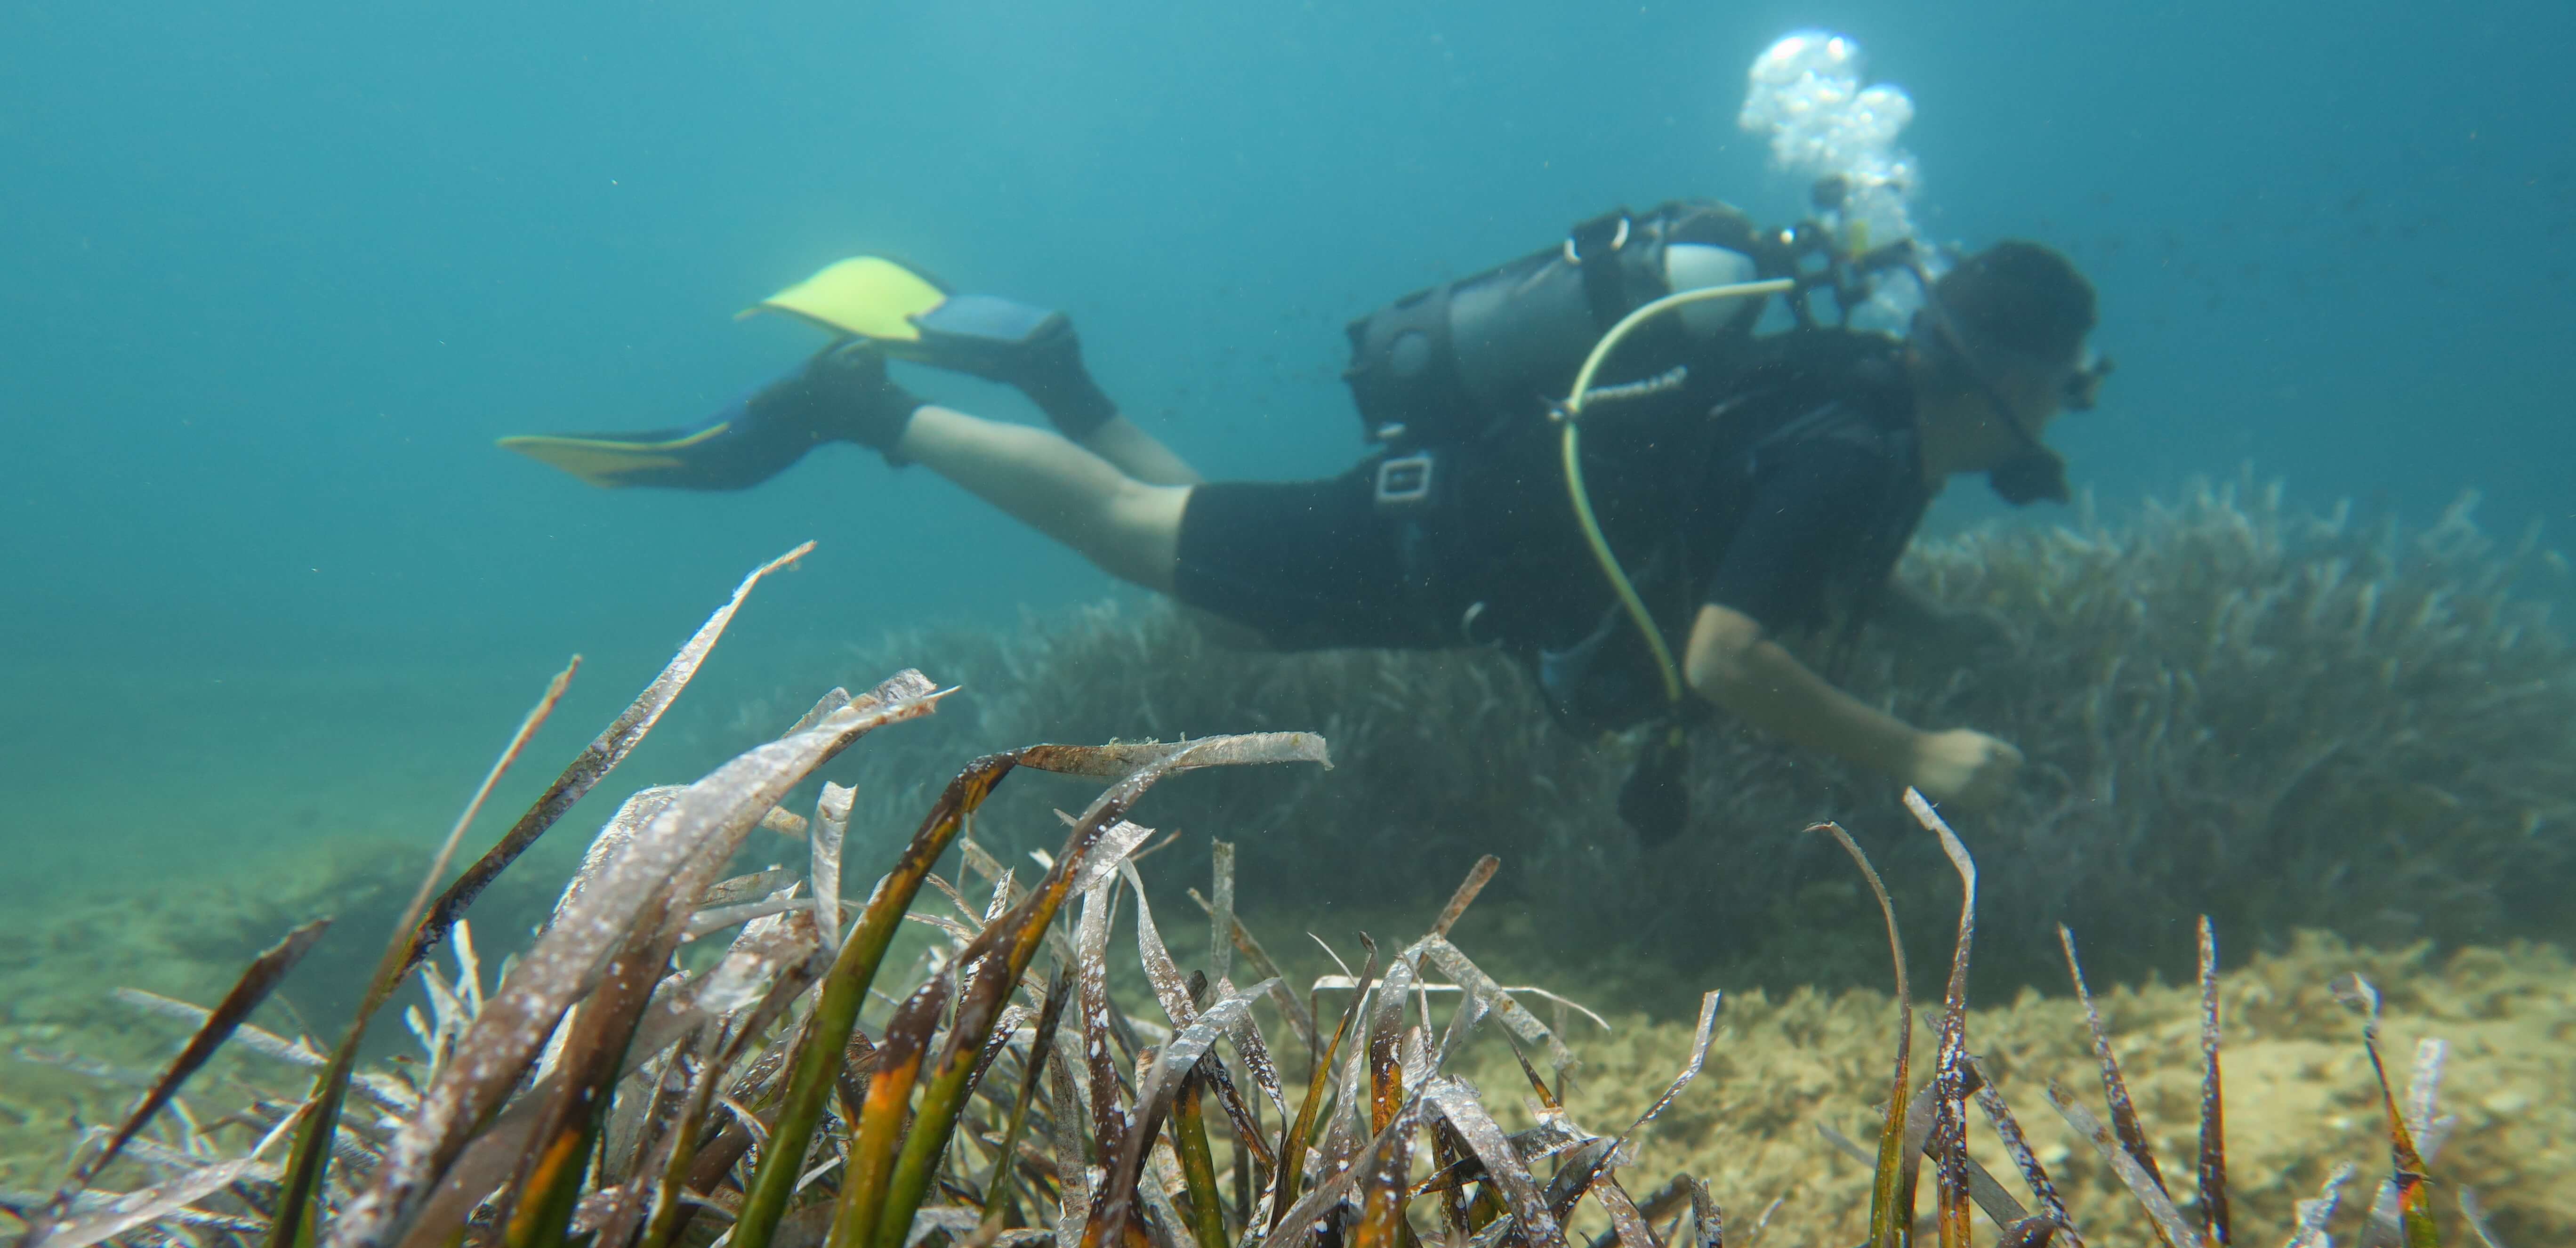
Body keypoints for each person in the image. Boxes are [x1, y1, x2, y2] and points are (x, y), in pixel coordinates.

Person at [504, 215, 2104, 836]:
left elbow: (1776, 551)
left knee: (1211, 582)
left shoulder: (1857, 406)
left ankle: (1048, 370)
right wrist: (1916, 755)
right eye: (2069, 386)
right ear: (2014, 376)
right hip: (1447, 539)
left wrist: (1932, 637)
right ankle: (872, 407)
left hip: (1465, 537)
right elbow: (1731, 649)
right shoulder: (1858, 444)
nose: (2067, 415)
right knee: (1147, 541)